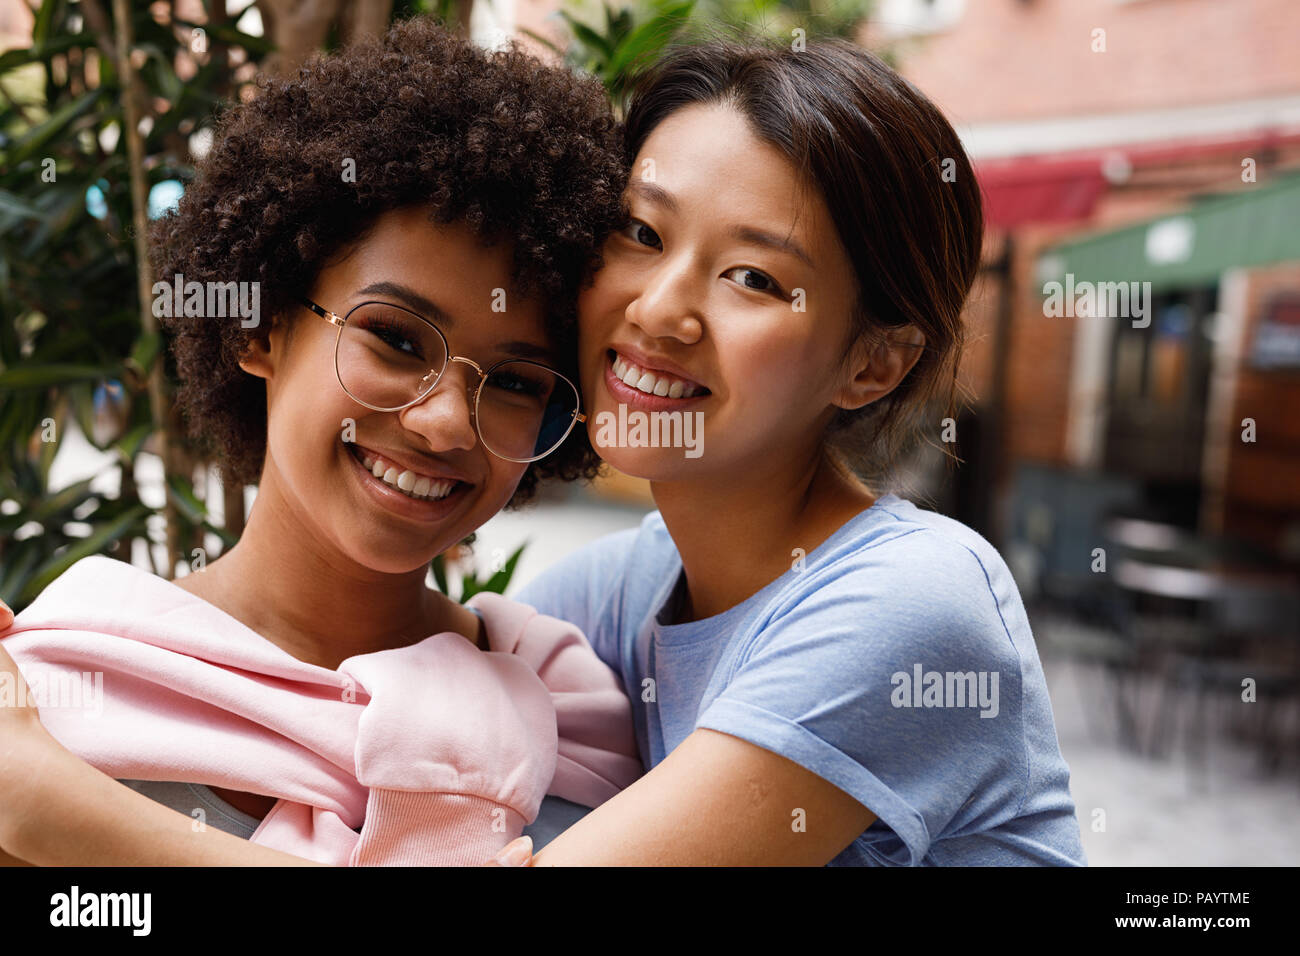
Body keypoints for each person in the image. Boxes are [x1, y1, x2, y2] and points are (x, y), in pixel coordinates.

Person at [2, 32, 1086, 867]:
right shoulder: (604, 612)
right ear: (261, 326)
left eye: (753, 276)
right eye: (644, 234)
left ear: (872, 365)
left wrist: (43, 802)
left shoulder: (912, 601)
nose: (661, 309)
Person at [0, 17, 640, 867]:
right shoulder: (60, 696)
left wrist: (62, 817)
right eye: (395, 338)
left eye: (517, 382)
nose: (444, 421)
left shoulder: (573, 712)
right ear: (260, 326)